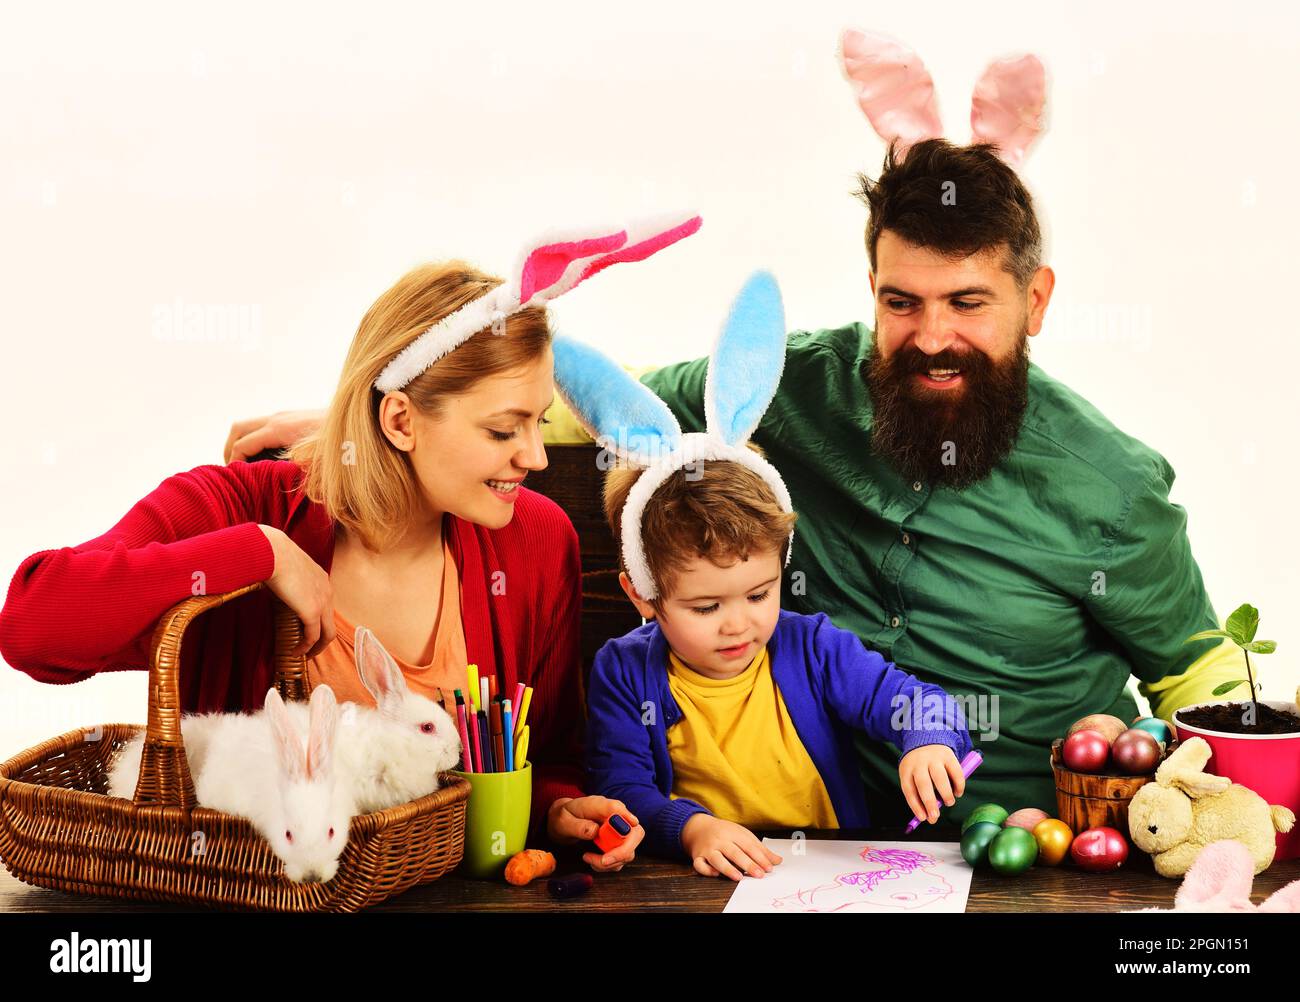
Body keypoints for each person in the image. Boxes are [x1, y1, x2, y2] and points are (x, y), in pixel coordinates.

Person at [0, 217, 701, 868]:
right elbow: (32, 625)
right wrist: (259, 552)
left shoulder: (537, 540)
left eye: (537, 423)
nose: (535, 457)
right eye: (501, 430)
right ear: (399, 420)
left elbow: (547, 751)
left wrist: (556, 807)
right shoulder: (235, 508)